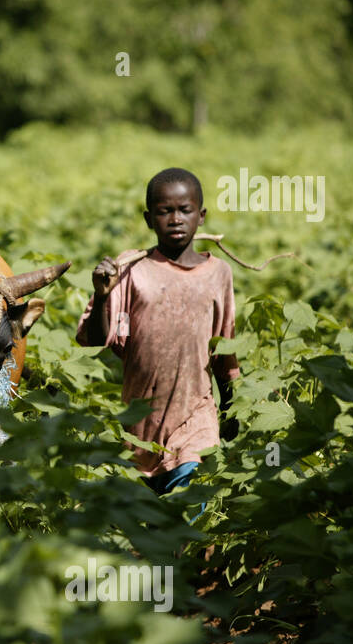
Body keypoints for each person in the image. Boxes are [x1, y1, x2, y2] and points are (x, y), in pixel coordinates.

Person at [75, 168, 240, 496]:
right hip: (140, 425)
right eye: (165, 212)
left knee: (186, 510)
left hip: (197, 422)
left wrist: (231, 411)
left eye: (185, 210)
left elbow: (225, 351)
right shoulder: (132, 270)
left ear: (201, 216)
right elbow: (97, 341)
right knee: (146, 530)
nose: (175, 219)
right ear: (149, 219)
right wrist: (103, 294)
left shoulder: (218, 274)